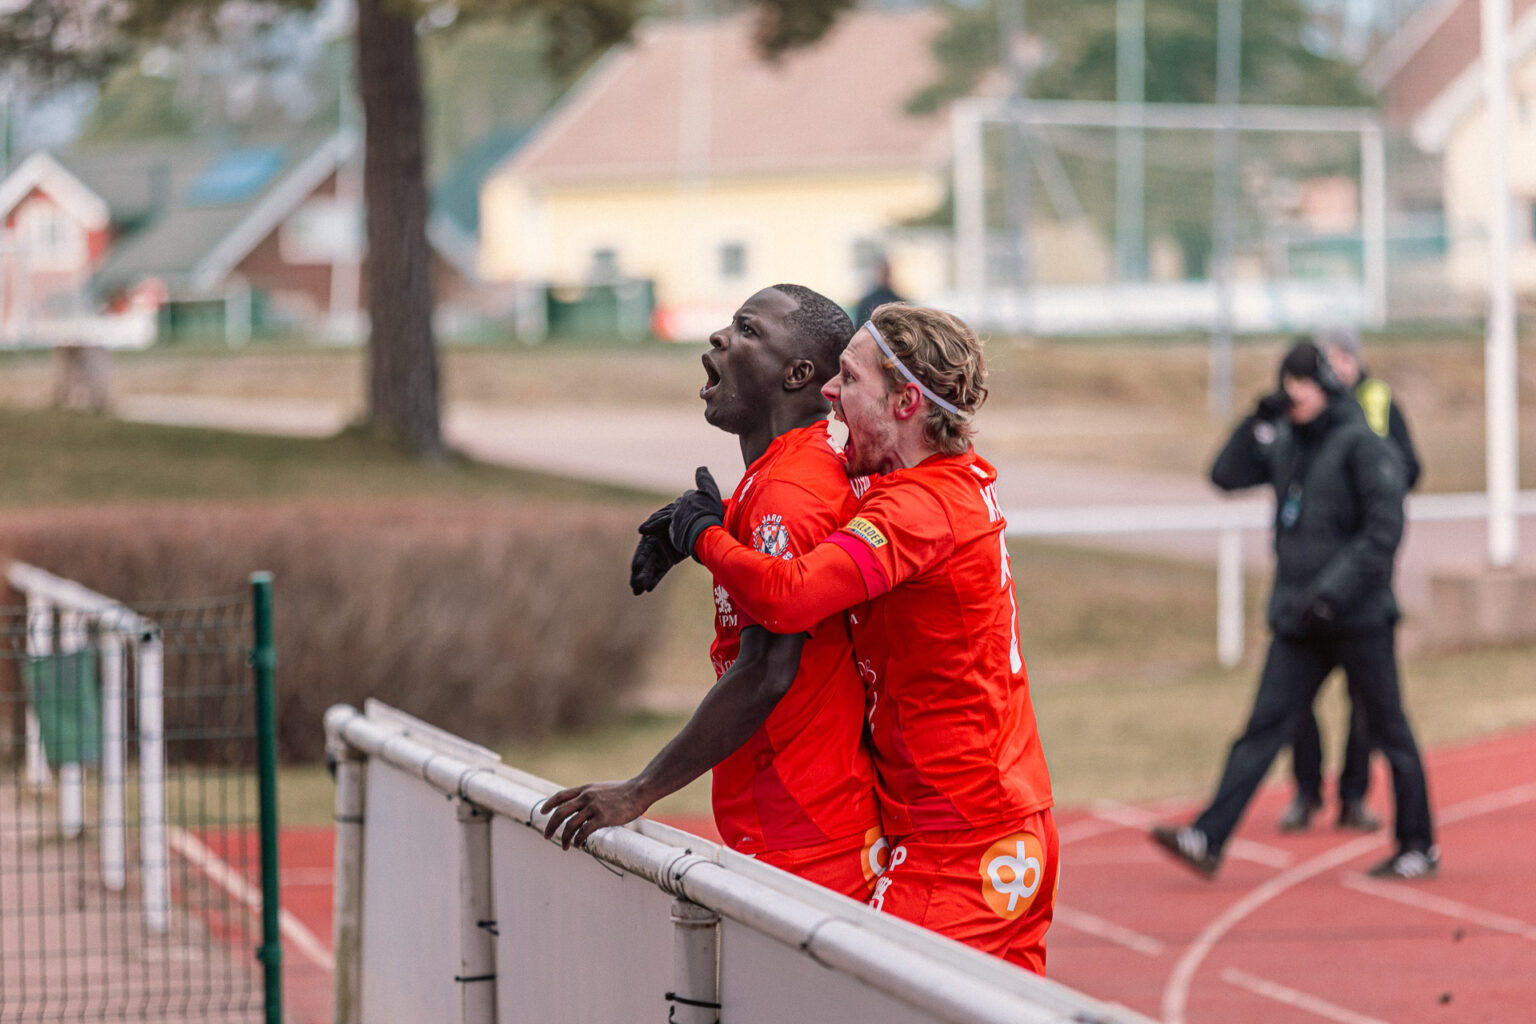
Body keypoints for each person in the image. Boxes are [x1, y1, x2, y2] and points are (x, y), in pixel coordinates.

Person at [661, 303, 1058, 972]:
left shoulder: (918, 509)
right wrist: (730, 515)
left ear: (906, 401)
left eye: (848, 380)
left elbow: (790, 597)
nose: (828, 394)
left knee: (866, 994)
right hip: (984, 817)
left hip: (960, 836)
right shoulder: (933, 481)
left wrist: (703, 535)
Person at [540, 284, 885, 902]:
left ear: (798, 373)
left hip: (810, 840)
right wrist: (702, 531)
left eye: (748, 331)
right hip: (792, 826)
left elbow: (768, 672)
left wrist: (639, 790)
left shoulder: (790, 489)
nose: (720, 338)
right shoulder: (773, 479)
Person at [1151, 341, 1438, 881]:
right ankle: (1207, 838)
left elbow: (1383, 532)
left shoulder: (1362, 444)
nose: (1293, 393)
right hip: (1299, 621)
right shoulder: (1287, 442)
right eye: (1287, 382)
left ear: (1328, 386)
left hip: (1358, 618)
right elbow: (1226, 476)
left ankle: (1418, 845)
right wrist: (1254, 423)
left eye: (1303, 381)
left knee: (1389, 730)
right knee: (1260, 730)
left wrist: (1333, 591)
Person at [1278, 326, 1422, 834]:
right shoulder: (1307, 414)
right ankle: (1306, 790)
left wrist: (1371, 483)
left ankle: (1356, 795)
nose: (1333, 364)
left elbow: (1408, 469)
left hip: (1359, 581)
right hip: (1307, 585)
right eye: (1326, 357)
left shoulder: (1377, 403)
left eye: (1341, 355)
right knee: (1290, 702)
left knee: (1372, 706)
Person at [854, 257, 904, 325]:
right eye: (883, 272)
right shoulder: (867, 302)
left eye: (886, 273)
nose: (884, 276)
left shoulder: (898, 300)